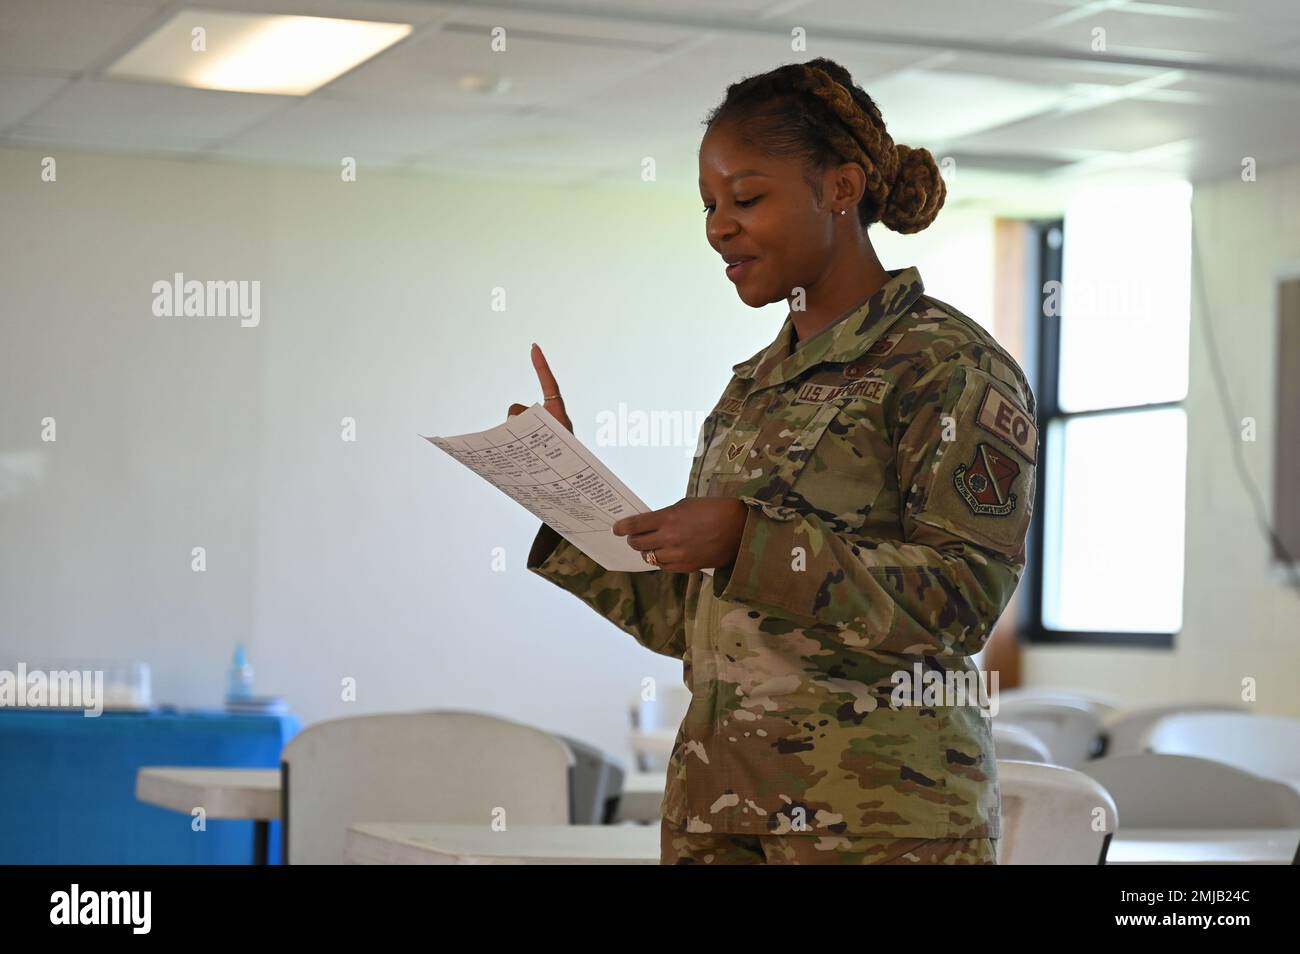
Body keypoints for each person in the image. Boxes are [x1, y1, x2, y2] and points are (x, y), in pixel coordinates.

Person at [511, 58, 1038, 865]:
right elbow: (692, 620)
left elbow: (961, 599)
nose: (720, 226)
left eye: (747, 199)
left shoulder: (947, 364)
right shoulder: (754, 386)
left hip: (876, 825)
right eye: (710, 206)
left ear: (841, 188)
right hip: (720, 812)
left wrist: (748, 540)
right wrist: (565, 494)